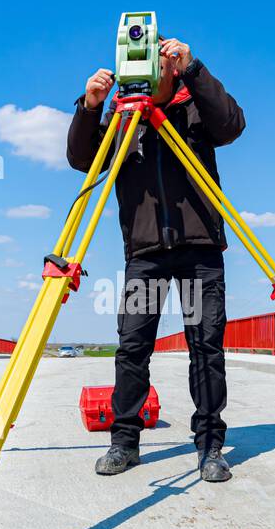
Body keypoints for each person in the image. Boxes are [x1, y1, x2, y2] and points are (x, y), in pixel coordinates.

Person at [67, 36, 245, 482]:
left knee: (206, 350)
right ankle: (124, 442)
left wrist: (194, 67)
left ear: (170, 66)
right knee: (132, 349)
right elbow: (82, 160)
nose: (148, 74)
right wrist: (90, 106)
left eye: (158, 64)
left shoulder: (195, 107)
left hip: (199, 252)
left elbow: (232, 125)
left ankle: (210, 447)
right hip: (145, 254)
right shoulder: (125, 116)